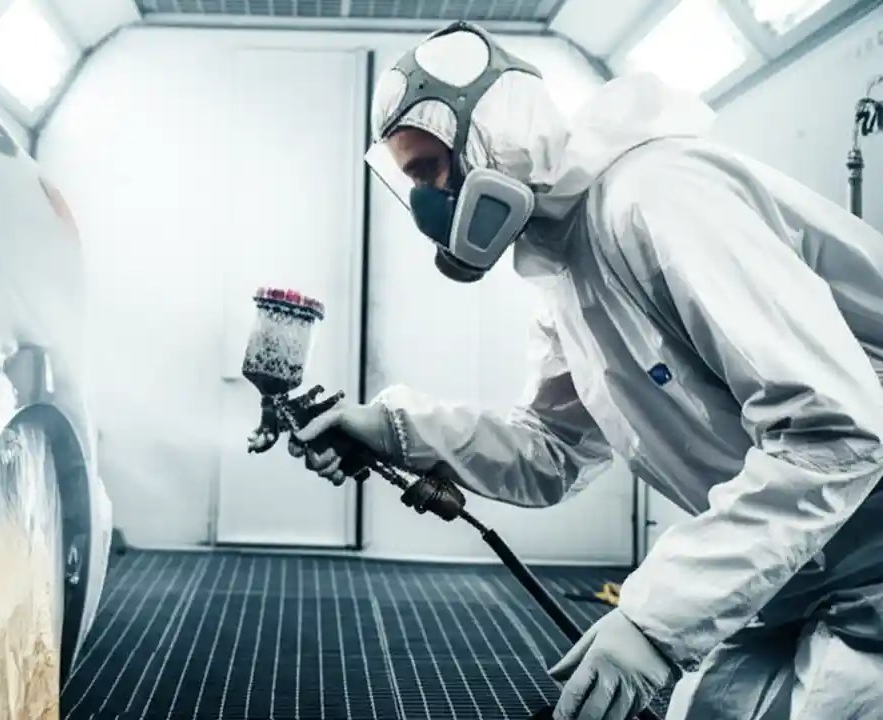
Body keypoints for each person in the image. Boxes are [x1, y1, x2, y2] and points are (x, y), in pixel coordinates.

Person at [289, 20, 883, 720]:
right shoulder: (568, 268)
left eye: (427, 171)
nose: (426, 202)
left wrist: (654, 620)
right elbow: (552, 452)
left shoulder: (658, 197)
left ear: (494, 139)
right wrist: (392, 429)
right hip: (796, 576)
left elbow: (835, 433)